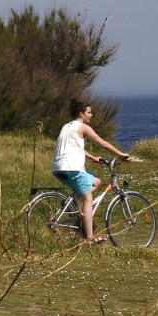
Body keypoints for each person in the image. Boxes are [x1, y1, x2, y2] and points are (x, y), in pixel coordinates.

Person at [52, 98, 136, 242]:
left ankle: (79, 210)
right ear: (81, 113)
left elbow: (76, 148)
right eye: (89, 113)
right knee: (87, 198)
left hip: (58, 168)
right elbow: (103, 143)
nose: (91, 115)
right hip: (72, 169)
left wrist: (93, 158)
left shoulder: (66, 127)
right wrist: (121, 154)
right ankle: (90, 238)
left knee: (96, 181)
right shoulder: (83, 127)